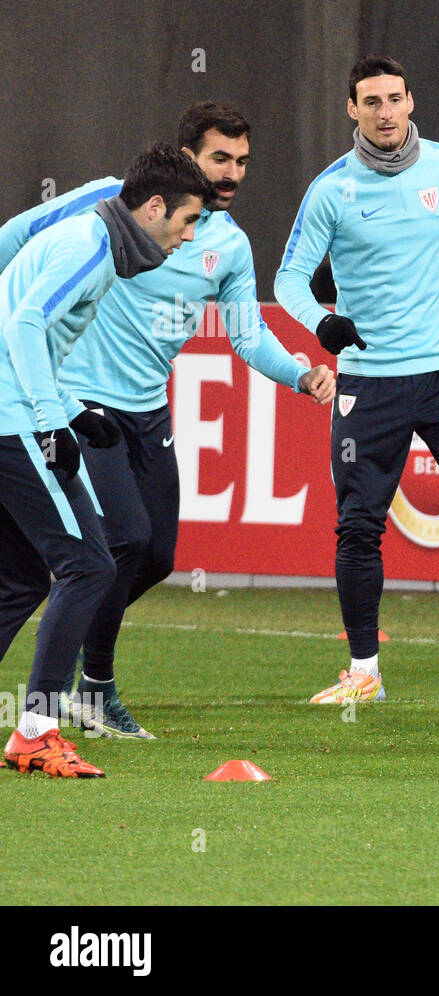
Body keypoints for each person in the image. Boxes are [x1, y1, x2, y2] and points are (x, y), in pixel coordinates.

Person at [0, 102, 336, 738]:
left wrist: (300, 373)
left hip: (147, 409)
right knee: (111, 545)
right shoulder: (113, 207)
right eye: (219, 160)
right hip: (73, 400)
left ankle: (80, 677)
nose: (231, 175)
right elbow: (18, 236)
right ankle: (79, 692)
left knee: (155, 553)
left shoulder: (228, 244)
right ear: (184, 163)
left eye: (241, 162)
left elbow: (246, 334)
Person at [275, 55, 439, 705]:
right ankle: (365, 672)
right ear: (352, 111)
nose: (385, 112)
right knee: (358, 525)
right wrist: (322, 323)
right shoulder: (331, 190)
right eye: (372, 101)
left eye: (395, 98)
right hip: (370, 384)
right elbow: (286, 280)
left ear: (411, 101)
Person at [0, 144, 210, 777]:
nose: (189, 235)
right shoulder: (90, 248)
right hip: (14, 421)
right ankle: (36, 733)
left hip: (14, 410)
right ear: (153, 208)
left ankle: (34, 728)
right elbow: (28, 323)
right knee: (90, 562)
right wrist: (49, 419)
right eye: (186, 220)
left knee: (22, 579)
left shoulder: (94, 239)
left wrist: (70, 405)